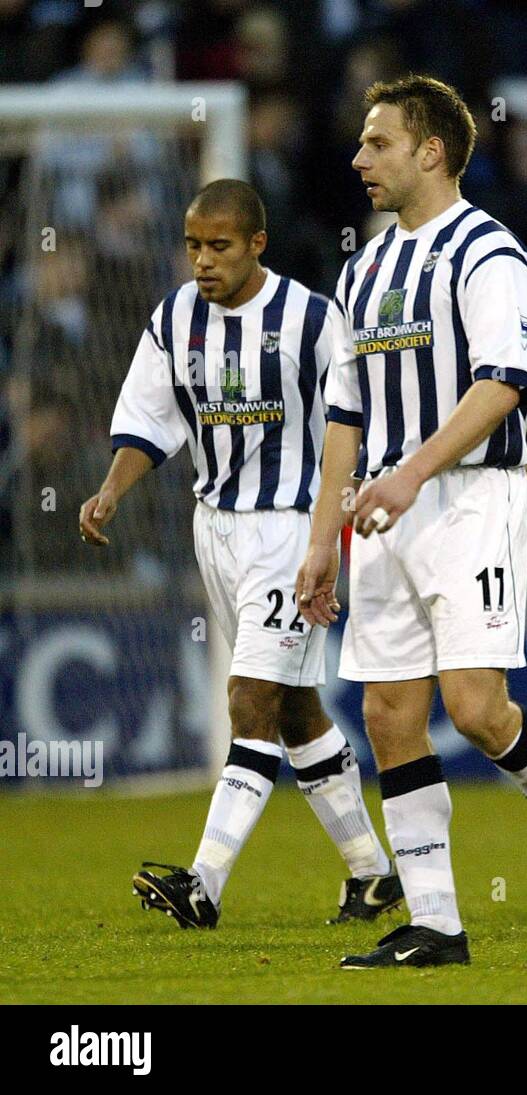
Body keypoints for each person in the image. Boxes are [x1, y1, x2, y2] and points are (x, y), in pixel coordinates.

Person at [295, 75, 527, 970]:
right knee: (389, 714)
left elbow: (503, 384)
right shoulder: (364, 269)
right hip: (380, 509)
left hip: (469, 498)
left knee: (478, 710)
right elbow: (343, 417)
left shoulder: (488, 253)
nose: (361, 159)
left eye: (379, 143)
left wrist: (411, 474)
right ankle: (438, 922)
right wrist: (320, 540)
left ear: (431, 151)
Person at [79, 179, 399, 929]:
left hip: (290, 530)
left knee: (247, 702)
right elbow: (148, 421)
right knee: (293, 707)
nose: (202, 261)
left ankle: (204, 883)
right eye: (192, 245)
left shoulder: (313, 321)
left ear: (257, 243)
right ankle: (374, 873)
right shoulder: (173, 319)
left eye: (218, 245)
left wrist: (339, 525)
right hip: (214, 527)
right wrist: (110, 491)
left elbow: (353, 423)